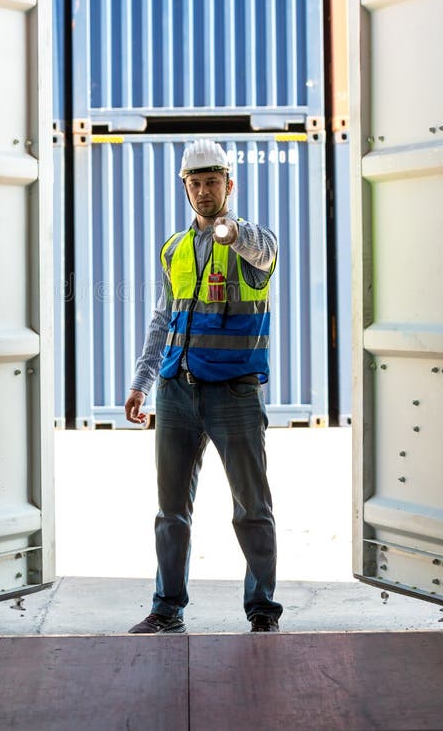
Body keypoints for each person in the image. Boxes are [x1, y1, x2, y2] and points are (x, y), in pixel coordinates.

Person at [124, 138, 282, 634]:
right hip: (176, 391)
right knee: (170, 511)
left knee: (252, 509)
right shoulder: (173, 249)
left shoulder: (254, 242)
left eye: (213, 181)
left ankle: (262, 610)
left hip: (234, 392)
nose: (203, 191)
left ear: (230, 185)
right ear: (185, 188)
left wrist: (231, 232)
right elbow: (163, 319)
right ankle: (166, 609)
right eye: (195, 183)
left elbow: (261, 248)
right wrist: (142, 382)